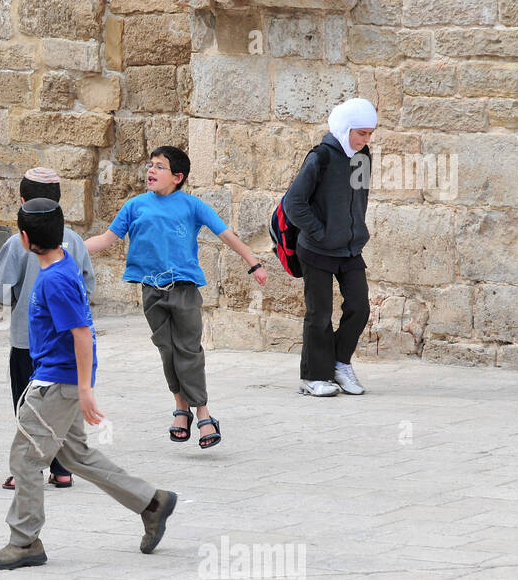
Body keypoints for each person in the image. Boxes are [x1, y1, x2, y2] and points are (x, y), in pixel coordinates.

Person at [0, 198, 178, 571]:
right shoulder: (62, 265)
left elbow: (83, 334)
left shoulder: (54, 279)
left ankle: (24, 542)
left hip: (55, 384)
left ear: (23, 239)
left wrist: (85, 388)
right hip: (61, 381)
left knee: (25, 458)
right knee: (75, 456)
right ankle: (153, 503)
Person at [85, 146, 267, 450]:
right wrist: (68, 250)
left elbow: (225, 234)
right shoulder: (134, 206)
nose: (151, 171)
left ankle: (203, 413)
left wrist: (253, 262)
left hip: (183, 288)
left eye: (159, 167)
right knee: (168, 351)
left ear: (178, 177)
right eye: (150, 165)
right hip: (151, 291)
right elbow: (106, 239)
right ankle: (180, 409)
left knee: (189, 351)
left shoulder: (192, 205)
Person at [0, 167, 95, 490]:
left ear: (22, 202)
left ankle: (28, 469)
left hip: (26, 342)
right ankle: (62, 469)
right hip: (63, 347)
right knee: (59, 408)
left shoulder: (16, 243)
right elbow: (87, 285)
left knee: (28, 407)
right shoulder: (75, 241)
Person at [283, 98, 377, 397]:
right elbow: (293, 203)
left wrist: (355, 231)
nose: (366, 139)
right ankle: (313, 377)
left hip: (350, 249)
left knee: (360, 308)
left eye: (370, 134)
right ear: (345, 128)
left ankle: (338, 362)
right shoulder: (320, 157)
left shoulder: (363, 158)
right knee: (319, 315)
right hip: (317, 249)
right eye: (361, 133)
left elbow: (358, 198)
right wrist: (320, 232)